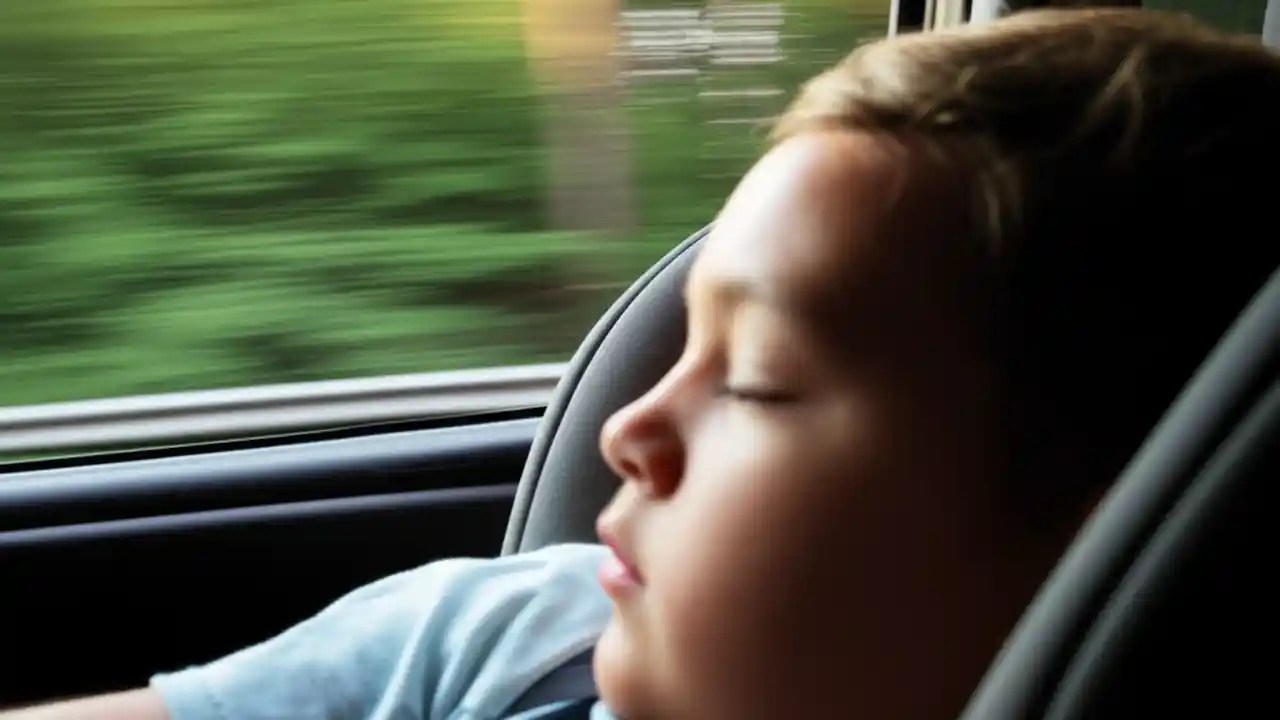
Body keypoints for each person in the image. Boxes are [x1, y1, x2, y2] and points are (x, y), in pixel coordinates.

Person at [8, 7, 1279, 719]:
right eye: (686, 342)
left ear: (1118, 542)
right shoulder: (504, 641)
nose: (627, 427)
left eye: (759, 376)